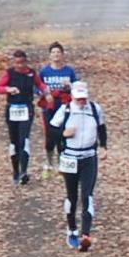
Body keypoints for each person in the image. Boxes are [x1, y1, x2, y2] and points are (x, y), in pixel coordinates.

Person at [49, 80, 106, 251]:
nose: (82, 102)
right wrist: (63, 134)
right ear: (72, 97)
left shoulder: (95, 109)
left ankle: (86, 234)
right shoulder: (65, 110)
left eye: (84, 98)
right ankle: (72, 229)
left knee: (87, 194)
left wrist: (104, 146)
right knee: (72, 196)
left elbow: (102, 128)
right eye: (78, 99)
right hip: (70, 157)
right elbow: (52, 130)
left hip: (89, 157)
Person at [0, 49, 50, 185]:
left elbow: (39, 84)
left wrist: (46, 91)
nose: (19, 66)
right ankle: (15, 171)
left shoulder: (31, 73)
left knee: (24, 139)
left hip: (26, 108)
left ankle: (24, 171)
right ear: (14, 62)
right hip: (12, 108)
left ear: (25, 62)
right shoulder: (9, 73)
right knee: (14, 141)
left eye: (22, 63)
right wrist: (8, 89)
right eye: (17, 63)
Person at [37, 41, 77, 176]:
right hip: (49, 108)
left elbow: (77, 88)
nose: (56, 55)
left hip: (65, 107)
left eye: (58, 52)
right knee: (49, 136)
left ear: (63, 55)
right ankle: (48, 164)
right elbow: (37, 87)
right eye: (53, 52)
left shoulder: (69, 70)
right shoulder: (44, 71)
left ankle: (62, 166)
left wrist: (70, 85)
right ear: (49, 55)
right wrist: (45, 93)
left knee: (62, 136)